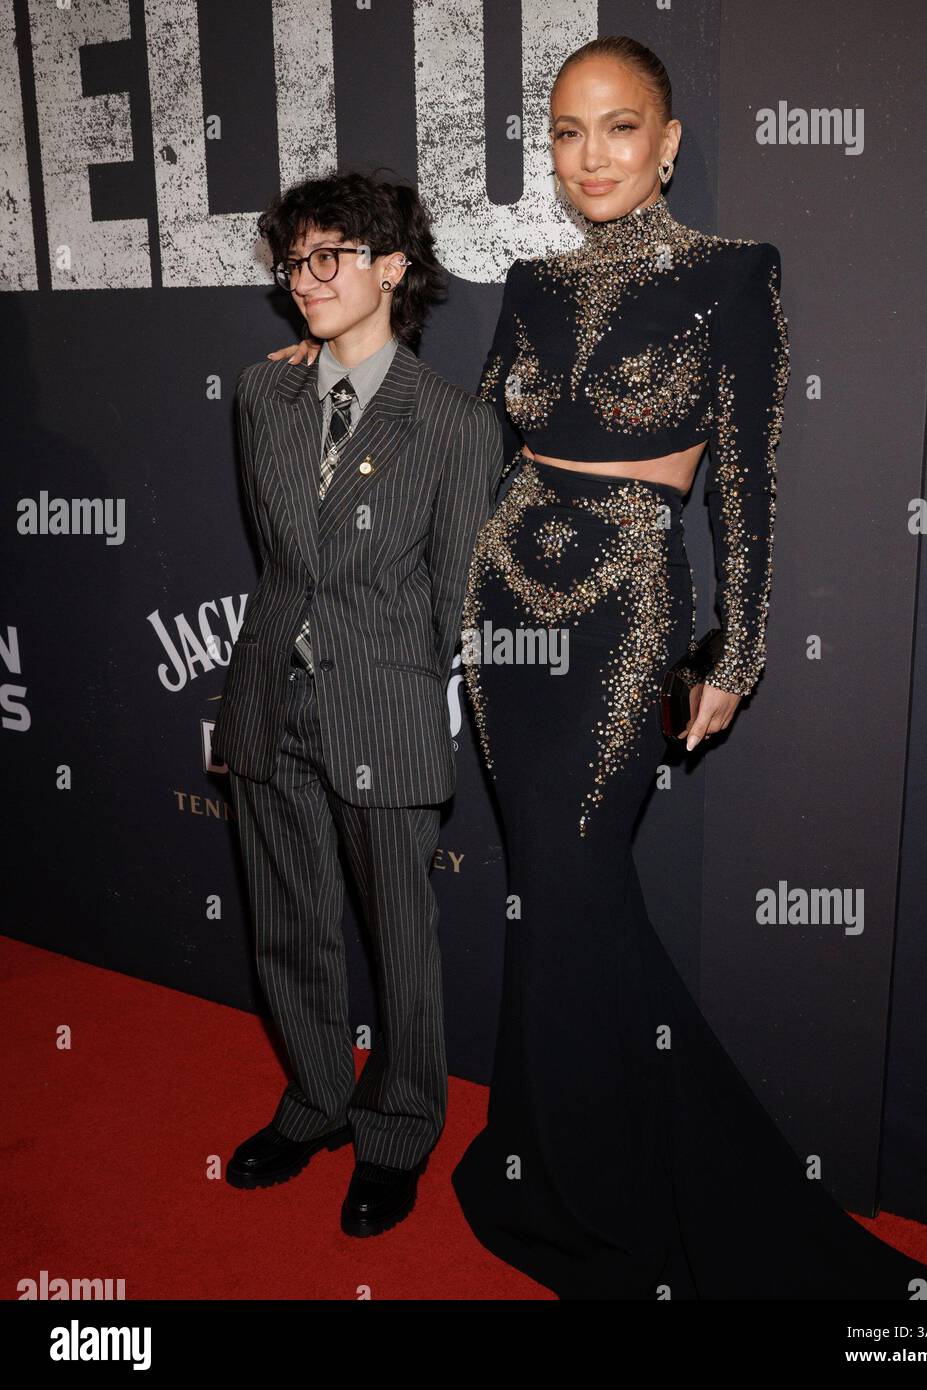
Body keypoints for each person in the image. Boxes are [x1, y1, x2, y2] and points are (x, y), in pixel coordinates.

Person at [448, 36, 927, 1299]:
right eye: (568, 133)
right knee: (556, 902)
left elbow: (743, 475)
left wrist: (736, 645)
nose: (590, 158)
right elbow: (475, 441)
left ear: (667, 141)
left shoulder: (732, 276)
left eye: (618, 128)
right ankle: (546, 1153)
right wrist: (340, 383)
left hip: (624, 612)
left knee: (573, 890)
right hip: (505, 604)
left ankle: (619, 1190)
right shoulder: (526, 279)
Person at [211, 170, 503, 1237]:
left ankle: (396, 1130)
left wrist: (422, 711)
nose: (306, 279)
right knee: (286, 928)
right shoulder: (262, 393)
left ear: (394, 269)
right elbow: (281, 562)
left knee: (403, 944)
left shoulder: (458, 424)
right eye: (295, 260)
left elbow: (454, 595)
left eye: (331, 255)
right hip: (267, 703)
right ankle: (315, 1101)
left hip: (385, 708)